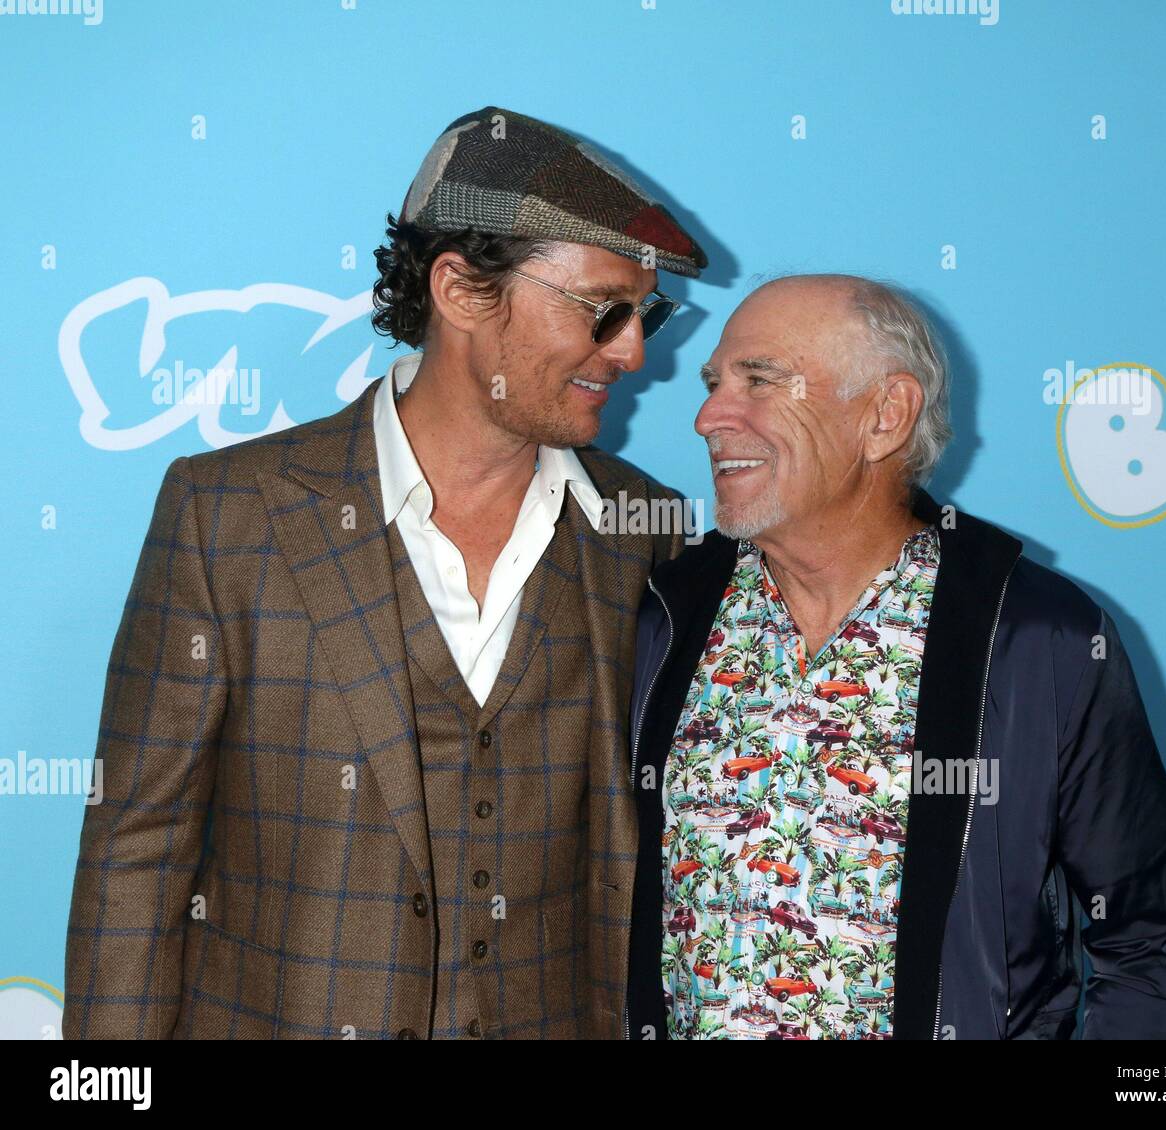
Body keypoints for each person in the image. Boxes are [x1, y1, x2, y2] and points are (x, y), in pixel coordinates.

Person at [63, 106, 706, 1040]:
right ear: (461, 290)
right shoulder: (230, 512)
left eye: (647, 313)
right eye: (605, 310)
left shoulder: (643, 532)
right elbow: (136, 850)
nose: (634, 351)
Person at [627, 274, 1166, 1039]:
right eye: (713, 384)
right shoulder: (664, 615)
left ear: (885, 416)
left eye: (759, 381)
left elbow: (1147, 941)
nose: (708, 416)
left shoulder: (1040, 638)